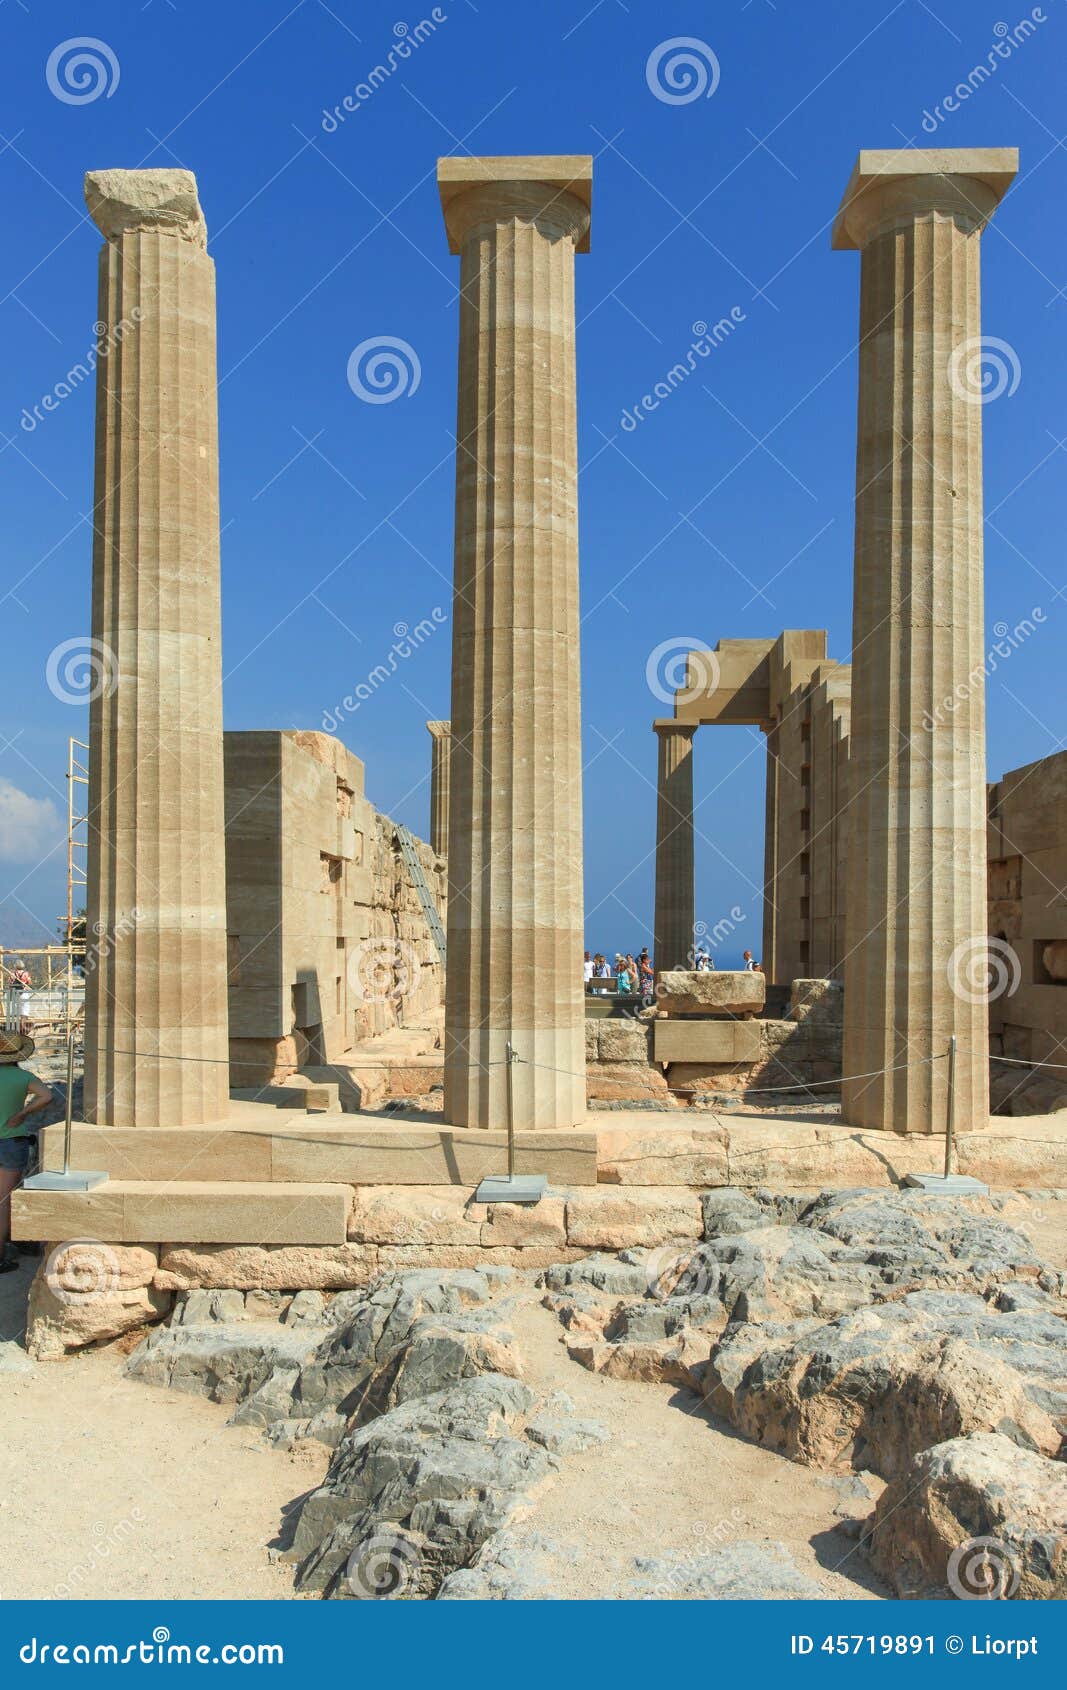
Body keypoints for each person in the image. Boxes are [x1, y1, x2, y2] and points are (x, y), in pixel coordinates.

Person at [0, 1030, 53, 1273]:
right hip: (11, 1140)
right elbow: (46, 1095)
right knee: (4, 1200)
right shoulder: (23, 1077)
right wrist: (22, 1114)